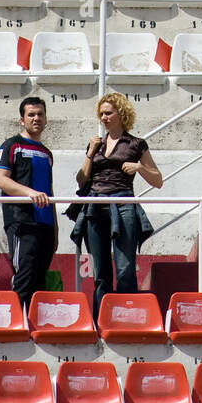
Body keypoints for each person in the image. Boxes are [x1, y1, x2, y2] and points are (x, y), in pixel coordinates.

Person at [70, 92, 162, 317]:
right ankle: (102, 320)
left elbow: (158, 180)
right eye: (101, 113)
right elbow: (81, 180)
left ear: (121, 114)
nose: (104, 117)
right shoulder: (96, 145)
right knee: (100, 271)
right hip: (95, 205)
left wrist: (139, 168)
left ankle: (125, 319)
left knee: (125, 269)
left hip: (123, 205)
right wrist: (90, 154)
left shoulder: (136, 144)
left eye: (108, 112)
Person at [0, 96, 56, 311]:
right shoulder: (11, 145)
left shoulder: (47, 153)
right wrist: (30, 193)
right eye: (31, 115)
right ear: (22, 120)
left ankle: (34, 329)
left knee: (39, 283)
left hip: (45, 225)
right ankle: (14, 326)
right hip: (22, 222)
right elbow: (0, 179)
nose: (36, 118)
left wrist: (55, 229)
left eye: (40, 114)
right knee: (24, 276)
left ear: (46, 119)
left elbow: (50, 191)